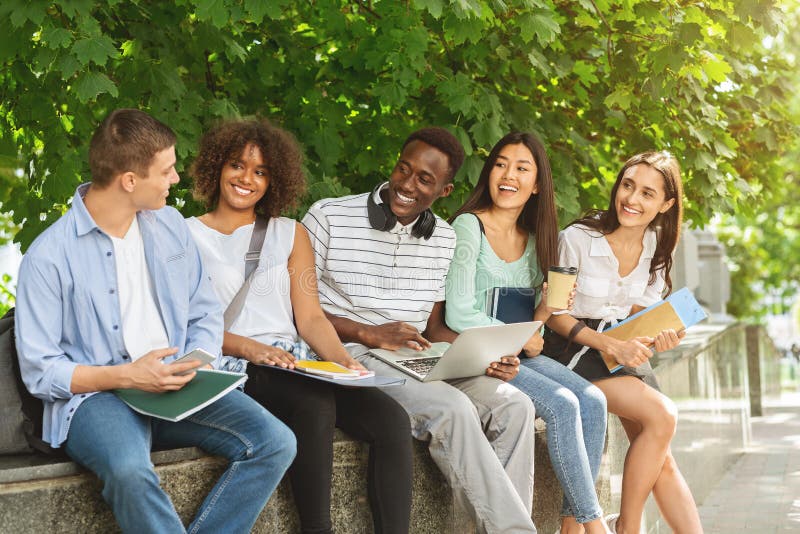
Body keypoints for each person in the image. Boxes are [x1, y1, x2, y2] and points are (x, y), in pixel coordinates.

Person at [14, 109, 296, 533]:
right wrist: (125, 375)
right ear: (130, 181)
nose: (177, 179)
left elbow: (203, 309)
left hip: (177, 383)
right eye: (166, 171)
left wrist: (197, 360)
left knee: (276, 442)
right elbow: (40, 370)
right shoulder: (49, 256)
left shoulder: (167, 225)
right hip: (99, 400)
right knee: (129, 470)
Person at [302, 127, 538, 534]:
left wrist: (485, 357)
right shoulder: (327, 216)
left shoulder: (444, 238)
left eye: (424, 179)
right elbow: (297, 311)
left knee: (515, 405)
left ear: (445, 190)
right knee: (452, 409)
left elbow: (434, 329)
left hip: (416, 356)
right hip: (347, 353)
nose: (407, 184)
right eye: (403, 169)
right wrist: (368, 333)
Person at [187, 118, 413, 534]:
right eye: (237, 165)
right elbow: (183, 327)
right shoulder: (185, 236)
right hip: (232, 363)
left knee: (392, 419)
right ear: (217, 166)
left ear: (275, 181)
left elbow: (309, 317)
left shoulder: (290, 234)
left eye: (261, 172)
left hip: (295, 362)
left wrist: (345, 362)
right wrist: (251, 348)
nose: (246, 179)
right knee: (314, 404)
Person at [444, 132, 610, 534]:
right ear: (488, 173)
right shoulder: (468, 227)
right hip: (478, 355)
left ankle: (573, 523)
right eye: (501, 164)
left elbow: (535, 325)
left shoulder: (536, 241)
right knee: (562, 404)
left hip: (519, 353)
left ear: (536, 184)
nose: (508, 175)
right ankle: (595, 524)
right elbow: (459, 311)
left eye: (522, 168)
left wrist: (547, 310)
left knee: (592, 399)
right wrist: (522, 339)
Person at [543, 152, 702, 534]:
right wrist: (610, 346)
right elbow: (554, 314)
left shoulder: (658, 246)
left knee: (661, 458)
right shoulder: (576, 239)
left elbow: (639, 315)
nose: (632, 199)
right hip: (573, 348)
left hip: (620, 348)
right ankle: (629, 528)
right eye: (628, 185)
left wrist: (667, 335)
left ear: (665, 204)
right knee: (663, 415)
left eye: (648, 193)